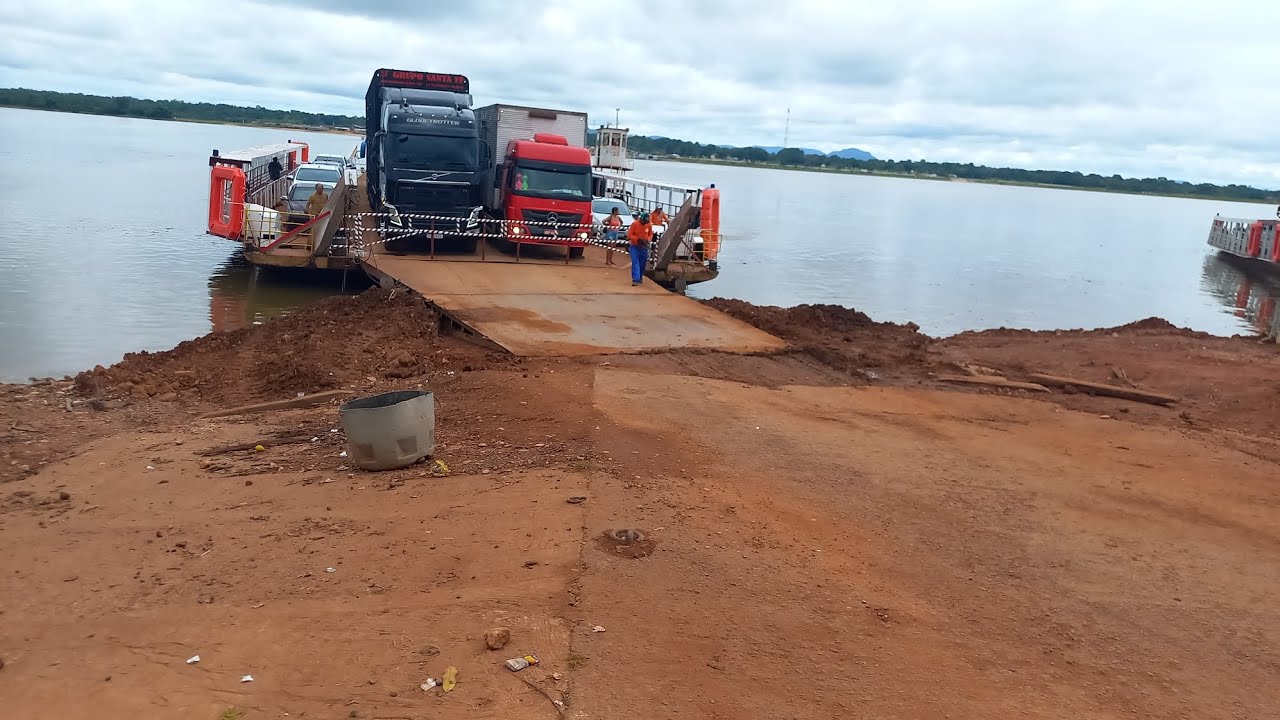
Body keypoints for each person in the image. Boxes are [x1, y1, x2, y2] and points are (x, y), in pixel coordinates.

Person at [626, 211, 653, 286]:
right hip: (635, 246)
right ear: (641, 219)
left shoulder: (649, 225)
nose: (645, 223)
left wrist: (648, 240)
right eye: (644, 221)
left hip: (644, 247)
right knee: (635, 263)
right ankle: (635, 279)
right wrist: (637, 239)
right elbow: (629, 235)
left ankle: (640, 277)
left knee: (642, 264)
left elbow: (651, 234)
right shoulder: (634, 224)